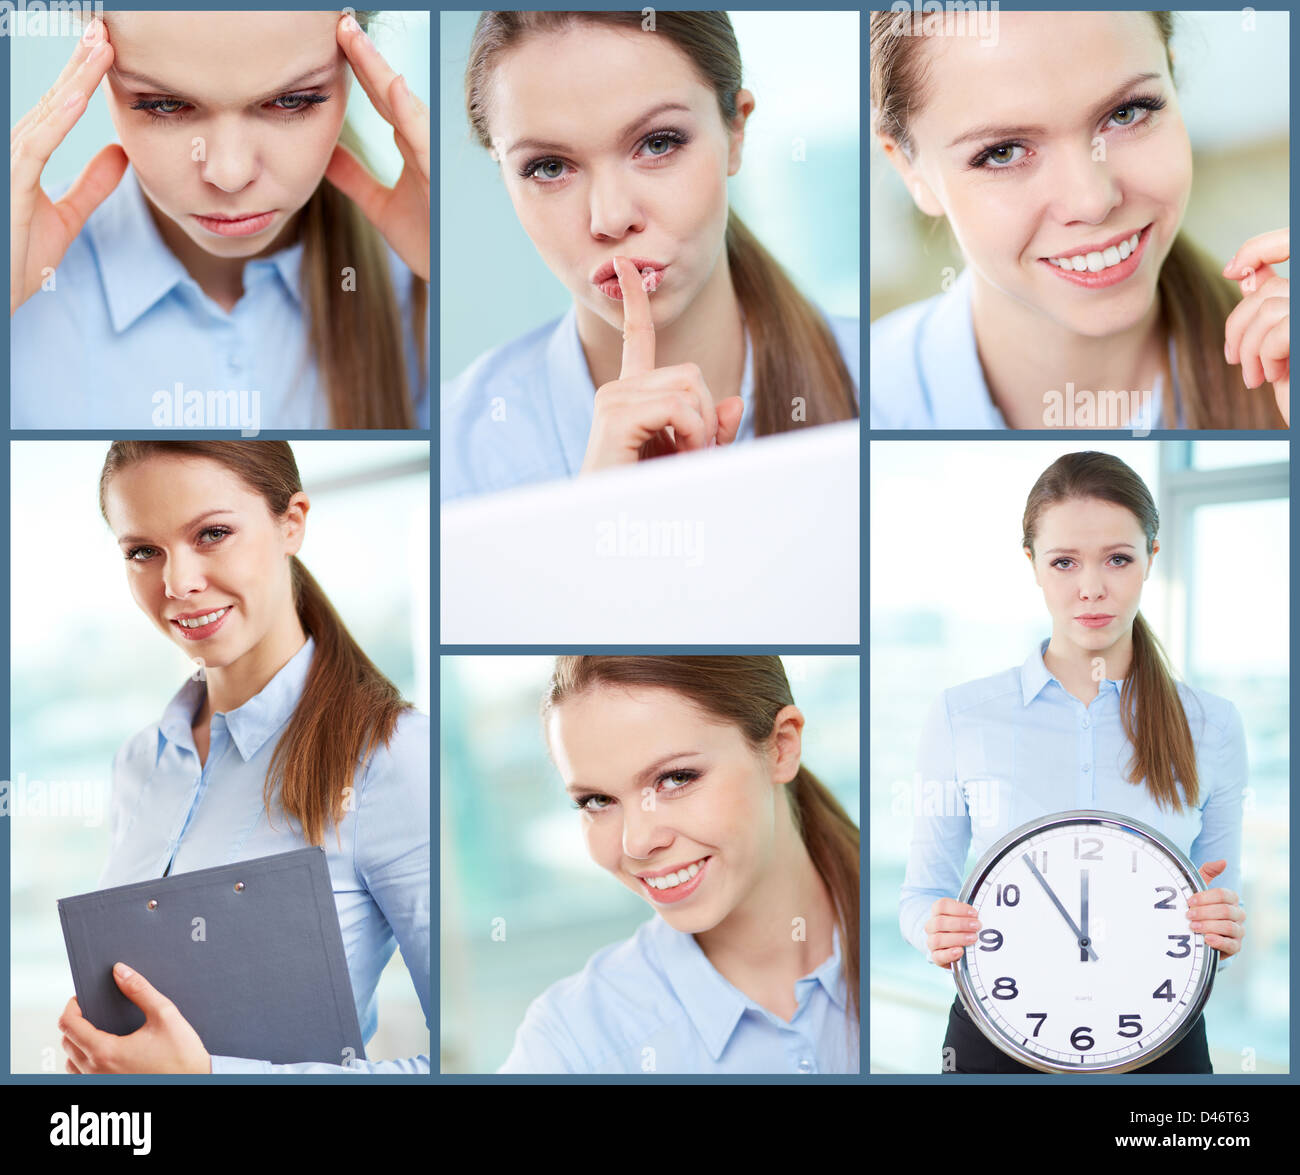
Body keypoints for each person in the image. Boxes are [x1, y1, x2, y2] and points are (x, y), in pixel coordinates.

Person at [56, 441, 429, 1073]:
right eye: (144, 552)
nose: (178, 584)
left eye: (213, 533)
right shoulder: (140, 762)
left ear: (293, 522)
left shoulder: (390, 755)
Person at [901, 451, 1247, 1074]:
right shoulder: (963, 715)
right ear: (1033, 565)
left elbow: (1219, 903)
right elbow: (921, 894)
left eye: (1118, 558)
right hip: (996, 1035)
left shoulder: (1213, 724)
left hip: (1161, 1038)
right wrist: (933, 925)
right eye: (1064, 562)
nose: (1091, 587)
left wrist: (1223, 921)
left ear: (1151, 560)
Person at [442, 11, 859, 503]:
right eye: (548, 167)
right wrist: (598, 519)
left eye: (658, 143)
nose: (612, 218)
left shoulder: (879, 385)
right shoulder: (455, 453)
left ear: (736, 131)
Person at [869, 9, 1289, 430]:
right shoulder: (863, 402)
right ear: (911, 170)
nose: (1092, 200)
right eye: (1004, 152)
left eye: (1127, 112)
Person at [10, 11, 429, 428]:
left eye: (291, 100)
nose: (229, 175)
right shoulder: (23, 290)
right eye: (167, 104)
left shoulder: (418, 277)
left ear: (359, 68)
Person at [498, 656, 860, 1073]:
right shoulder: (571, 1044)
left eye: (676, 778)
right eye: (597, 801)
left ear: (781, 746)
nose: (636, 842)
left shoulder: (914, 949)